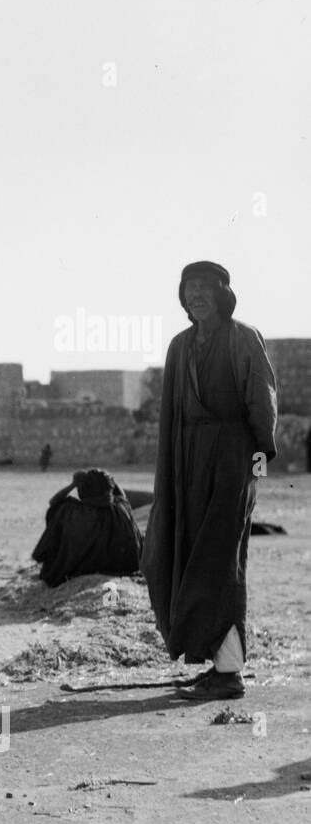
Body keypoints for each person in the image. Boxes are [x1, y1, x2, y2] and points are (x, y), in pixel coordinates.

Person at [142, 261, 278, 701]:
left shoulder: (243, 338)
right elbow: (171, 414)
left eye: (204, 288)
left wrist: (254, 467)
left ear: (221, 294)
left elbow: (261, 401)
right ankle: (215, 664)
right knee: (190, 554)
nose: (196, 296)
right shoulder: (180, 347)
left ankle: (230, 673)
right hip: (188, 462)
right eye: (189, 289)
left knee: (221, 562)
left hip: (232, 458)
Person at [31, 468, 142, 586]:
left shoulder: (73, 512)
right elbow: (122, 495)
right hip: (119, 565)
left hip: (84, 567)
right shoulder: (121, 509)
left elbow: (54, 502)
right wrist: (110, 479)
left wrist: (73, 484)